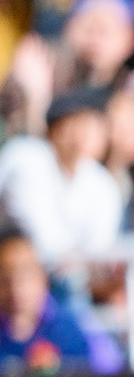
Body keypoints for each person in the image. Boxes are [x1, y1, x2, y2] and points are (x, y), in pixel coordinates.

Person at [0, 87, 124, 258]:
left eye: (93, 126)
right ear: (55, 129)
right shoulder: (27, 158)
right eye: (77, 123)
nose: (84, 134)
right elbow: (43, 241)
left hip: (72, 269)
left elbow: (101, 247)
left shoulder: (100, 180)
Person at [0, 224, 121, 375]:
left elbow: (111, 371)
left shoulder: (77, 327)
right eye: (5, 276)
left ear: (42, 276)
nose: (16, 286)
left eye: (25, 273)